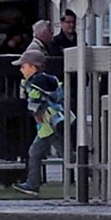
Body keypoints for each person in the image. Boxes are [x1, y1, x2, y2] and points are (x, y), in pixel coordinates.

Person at [14, 42, 66, 197]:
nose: (21, 69)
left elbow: (34, 104)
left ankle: (32, 184)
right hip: (57, 120)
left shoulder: (34, 84)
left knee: (38, 152)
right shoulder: (51, 80)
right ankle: (89, 172)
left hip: (47, 124)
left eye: (23, 66)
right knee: (64, 152)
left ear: (33, 67)